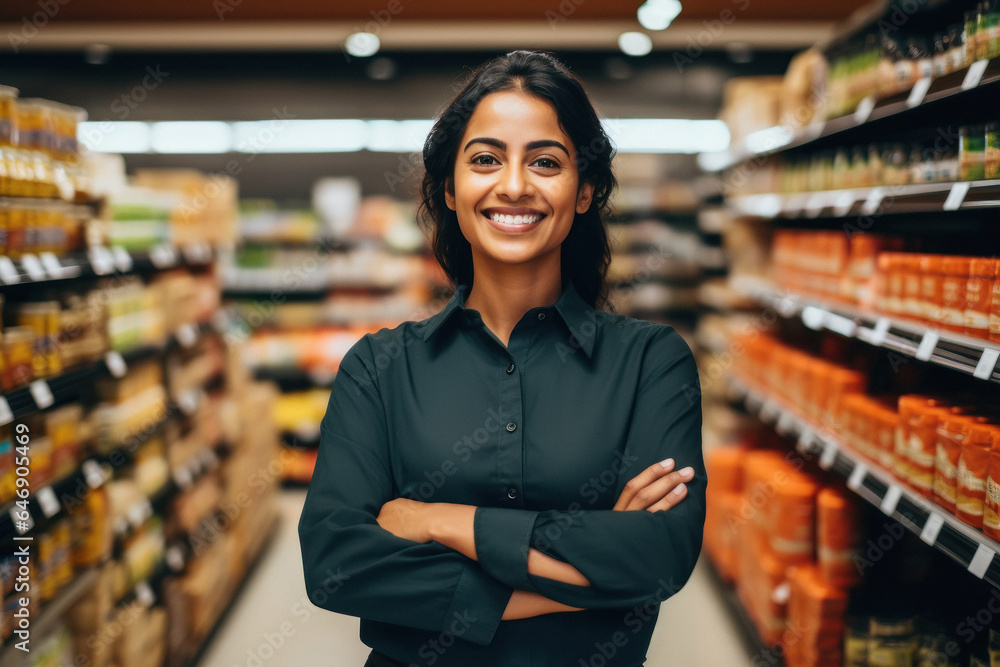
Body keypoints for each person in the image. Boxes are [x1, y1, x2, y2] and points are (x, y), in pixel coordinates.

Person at [298, 50, 705, 667]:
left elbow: (661, 556)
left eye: (545, 161)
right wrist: (591, 582)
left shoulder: (651, 362)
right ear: (450, 191)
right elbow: (335, 565)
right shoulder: (379, 369)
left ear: (586, 190)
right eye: (485, 159)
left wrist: (439, 520)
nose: (514, 185)